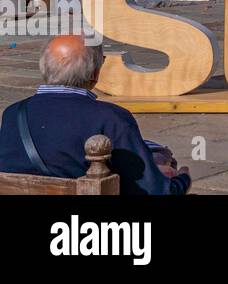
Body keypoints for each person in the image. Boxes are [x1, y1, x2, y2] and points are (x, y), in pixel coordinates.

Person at [0, 36, 191, 195]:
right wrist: (183, 179)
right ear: (95, 73)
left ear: (44, 69)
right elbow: (152, 191)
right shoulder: (111, 118)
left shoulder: (13, 113)